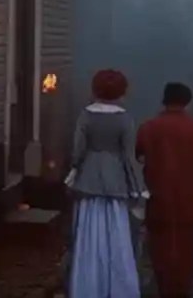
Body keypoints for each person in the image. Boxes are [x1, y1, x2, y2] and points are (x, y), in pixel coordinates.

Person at [65, 69, 146, 298]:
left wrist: (74, 171)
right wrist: (137, 188)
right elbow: (129, 158)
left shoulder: (86, 116)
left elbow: (78, 150)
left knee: (87, 236)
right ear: (122, 91)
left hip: (88, 179)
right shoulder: (125, 118)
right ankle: (118, 288)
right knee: (117, 235)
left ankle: (87, 286)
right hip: (116, 181)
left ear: (95, 90)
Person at [136, 82, 193, 298]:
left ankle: (163, 288)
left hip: (158, 199)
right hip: (189, 201)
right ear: (187, 101)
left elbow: (138, 155)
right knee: (186, 254)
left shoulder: (149, 127)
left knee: (159, 252)